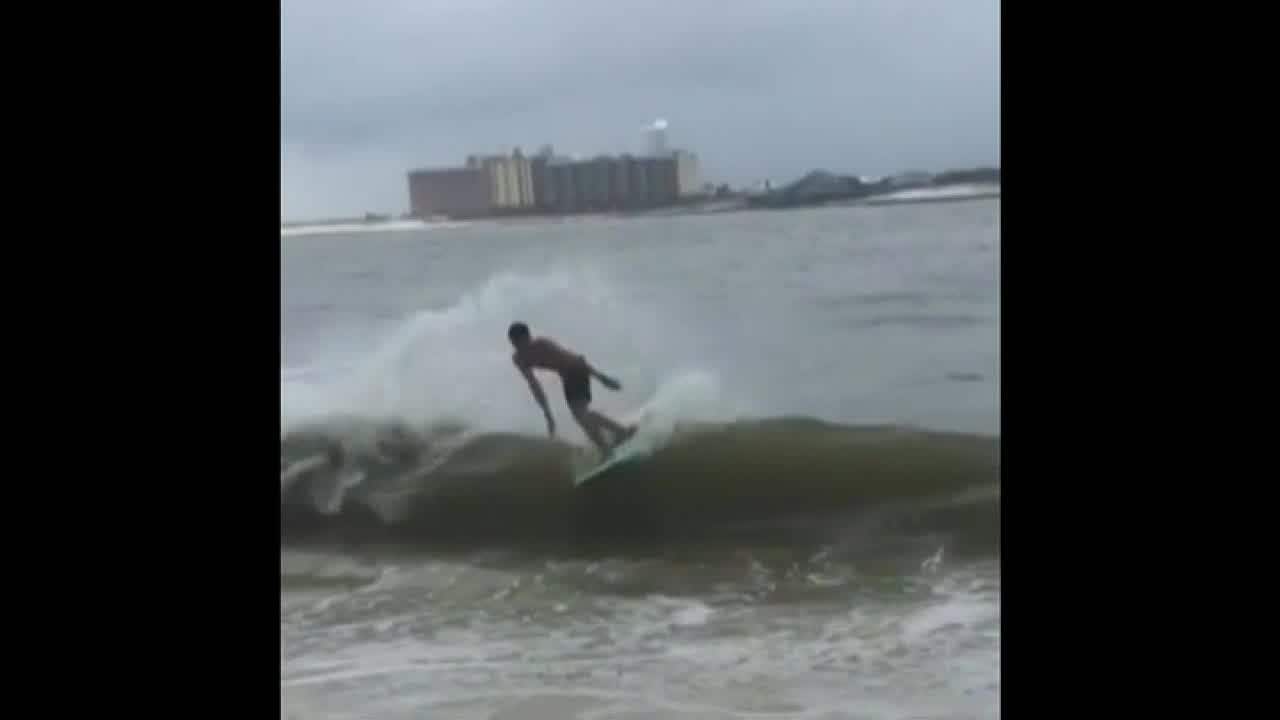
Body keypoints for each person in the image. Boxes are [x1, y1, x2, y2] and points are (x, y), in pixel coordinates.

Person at [508, 321, 636, 456]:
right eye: (514, 343)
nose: (518, 347)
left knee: (580, 413)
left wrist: (601, 378)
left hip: (577, 369)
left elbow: (573, 359)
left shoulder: (542, 344)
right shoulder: (518, 359)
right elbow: (534, 386)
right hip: (567, 377)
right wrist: (548, 415)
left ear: (528, 337)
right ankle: (609, 444)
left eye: (520, 342)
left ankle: (619, 435)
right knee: (580, 415)